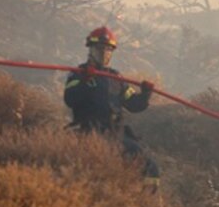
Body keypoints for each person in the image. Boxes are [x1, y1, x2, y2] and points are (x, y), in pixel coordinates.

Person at [64, 26, 160, 186]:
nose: (103, 53)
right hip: (89, 131)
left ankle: (145, 203)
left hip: (115, 133)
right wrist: (85, 81)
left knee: (150, 166)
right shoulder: (78, 74)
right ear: (90, 50)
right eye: (99, 49)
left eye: (108, 50)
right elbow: (70, 99)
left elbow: (134, 104)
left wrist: (145, 94)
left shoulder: (115, 78)